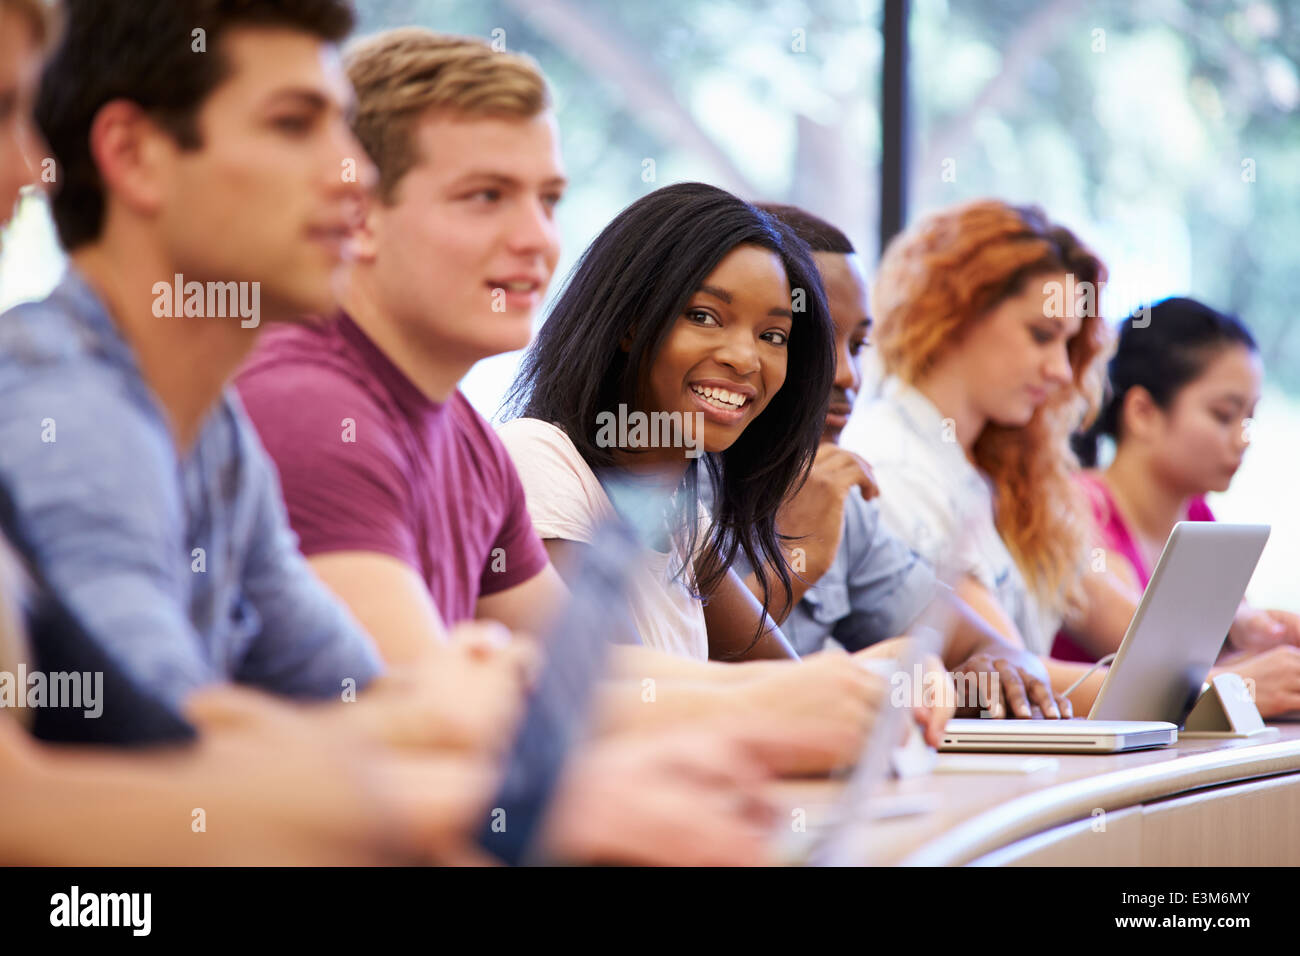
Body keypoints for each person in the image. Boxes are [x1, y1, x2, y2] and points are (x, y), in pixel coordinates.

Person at [0, 0, 783, 867]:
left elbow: (357, 702)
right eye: (294, 125)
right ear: (134, 157)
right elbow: (161, 761)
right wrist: (454, 768)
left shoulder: (213, 429)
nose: (350, 178)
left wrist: (438, 721)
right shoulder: (79, 411)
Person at [235, 31, 898, 766]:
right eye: (485, 197)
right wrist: (777, 703)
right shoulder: (315, 411)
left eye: (548, 200)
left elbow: (574, 677)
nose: (537, 239)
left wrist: (834, 689)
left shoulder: (467, 440)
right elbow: (429, 712)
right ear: (357, 214)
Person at [737, 202, 1071, 717]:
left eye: (858, 344)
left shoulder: (845, 501)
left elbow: (982, 641)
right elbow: (706, 675)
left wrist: (992, 663)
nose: (847, 375)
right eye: (810, 341)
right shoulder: (684, 496)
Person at [841, 199, 1113, 708]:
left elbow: (1119, 615)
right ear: (957, 311)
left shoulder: (997, 472)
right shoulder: (892, 463)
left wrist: (1237, 643)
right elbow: (1018, 672)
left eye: (1068, 344)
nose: (1059, 370)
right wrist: (1211, 692)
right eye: (1041, 335)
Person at [1060, 297, 1300, 715]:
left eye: (1249, 418)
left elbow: (1222, 653)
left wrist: (1265, 633)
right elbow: (1151, 661)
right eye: (1224, 415)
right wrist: (1246, 645)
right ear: (1142, 412)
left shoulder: (1199, 517)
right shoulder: (1073, 509)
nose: (1243, 438)